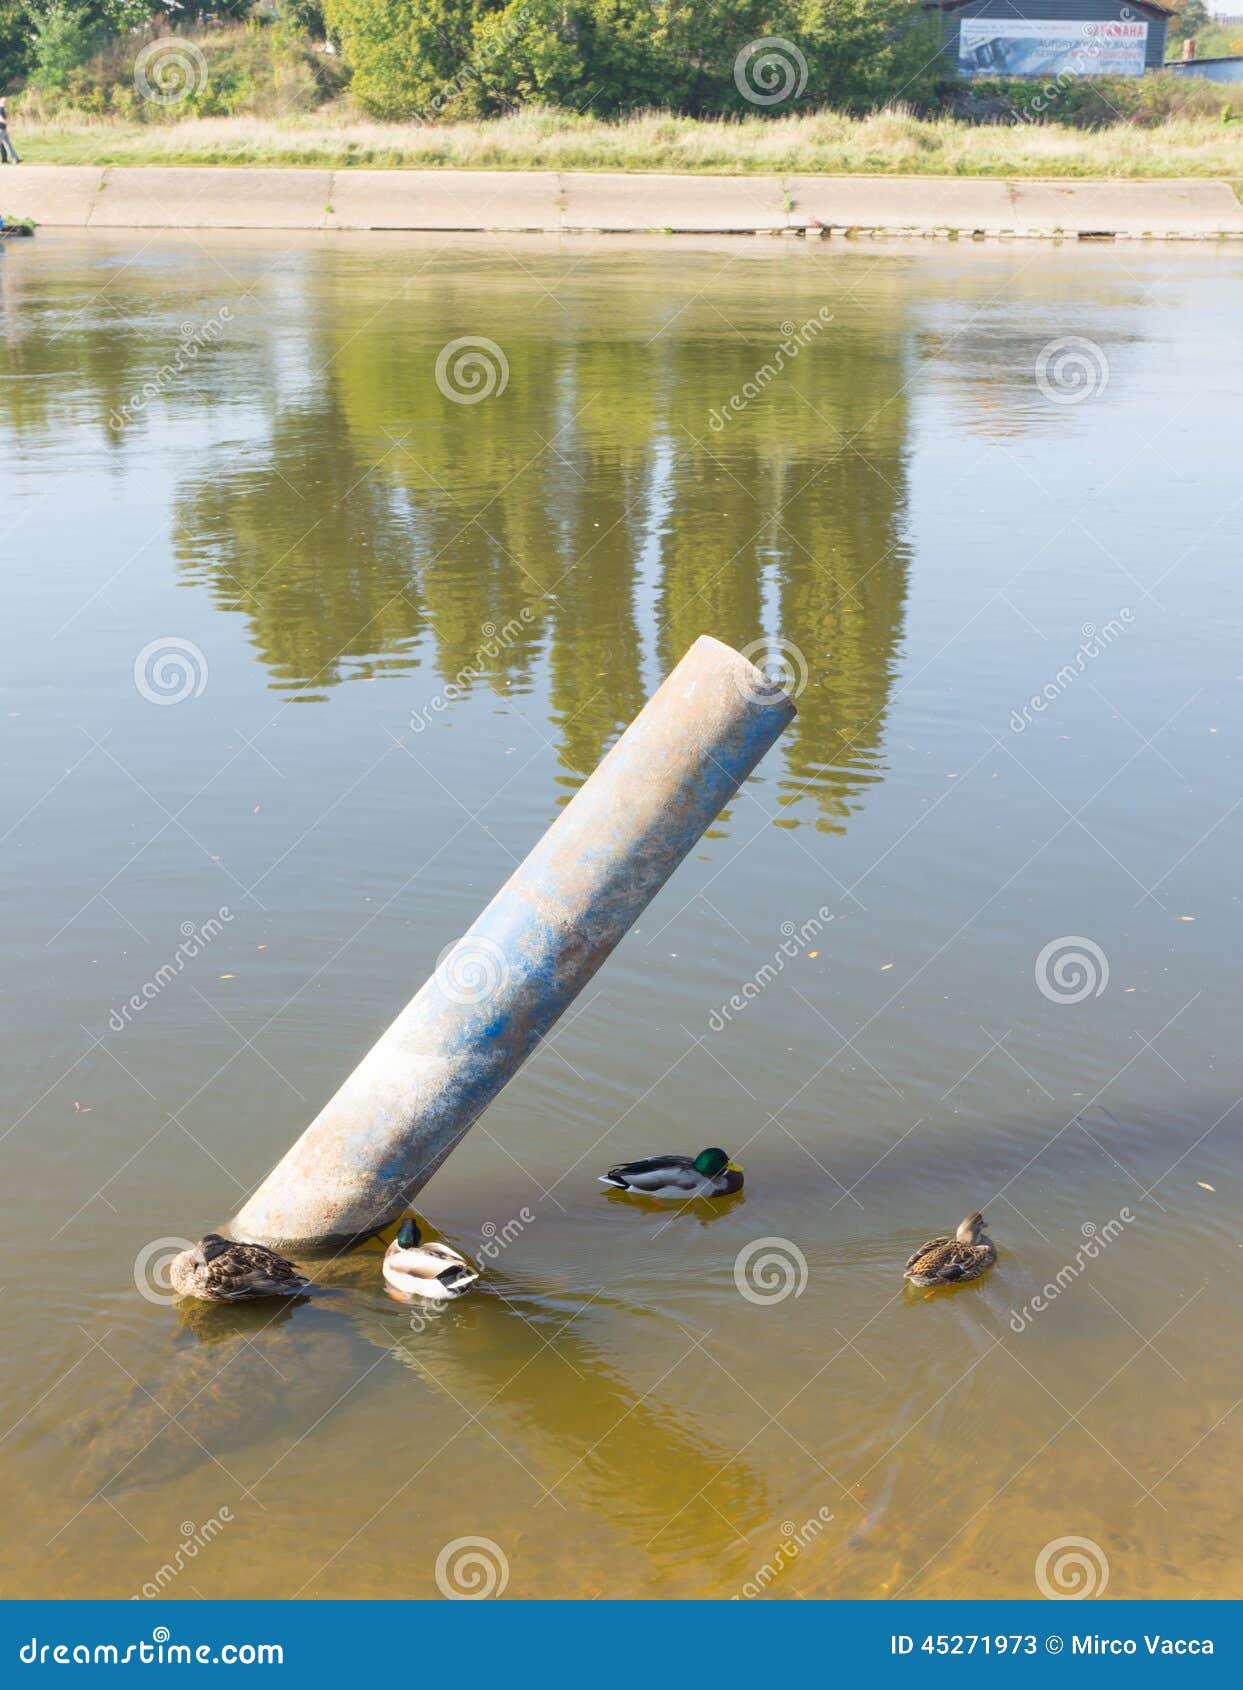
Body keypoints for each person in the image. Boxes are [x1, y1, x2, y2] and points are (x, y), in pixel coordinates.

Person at [0, 99, 20, 165]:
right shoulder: (0, 109)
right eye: (5, 102)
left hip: (3, 130)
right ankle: (15, 158)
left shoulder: (2, 109)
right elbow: (1, 119)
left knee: (8, 145)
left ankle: (15, 158)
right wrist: (9, 123)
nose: (6, 103)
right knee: (7, 145)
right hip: (1, 130)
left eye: (6, 102)